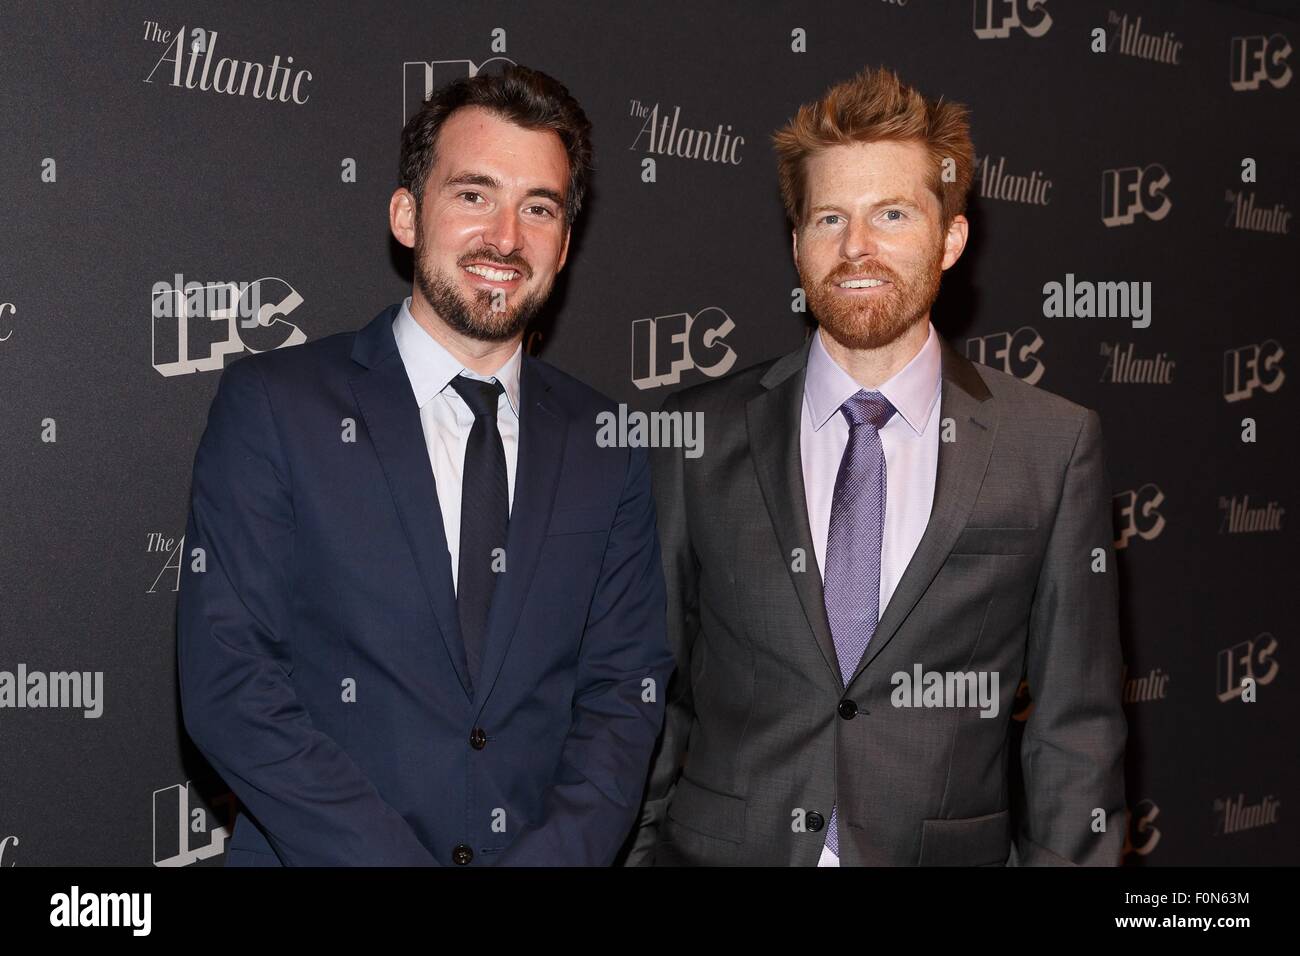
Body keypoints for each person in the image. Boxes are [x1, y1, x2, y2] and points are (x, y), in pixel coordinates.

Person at [623, 65, 1126, 866]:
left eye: (892, 213)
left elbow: (1076, 731)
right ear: (796, 245)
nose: (856, 247)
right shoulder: (695, 434)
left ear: (950, 237)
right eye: (829, 218)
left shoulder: (1052, 445)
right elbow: (647, 696)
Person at [178, 65, 672, 866]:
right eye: (474, 194)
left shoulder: (605, 440)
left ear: (566, 242)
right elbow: (231, 686)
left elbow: (625, 690)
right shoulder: (277, 405)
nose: (506, 238)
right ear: (408, 214)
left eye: (537, 207)